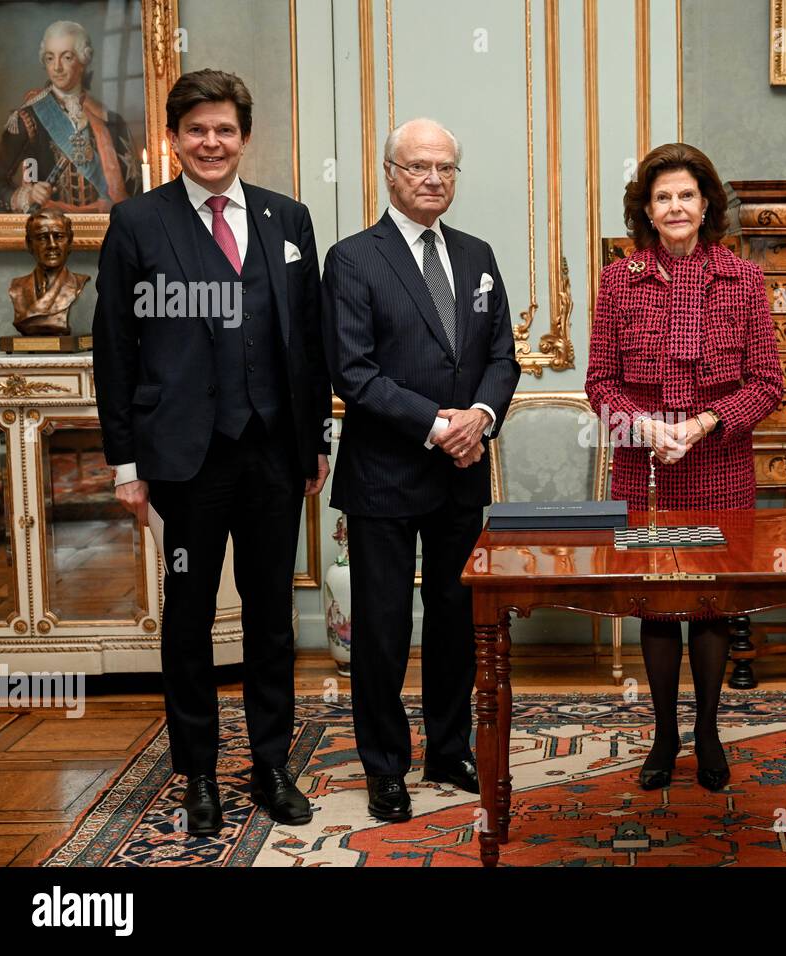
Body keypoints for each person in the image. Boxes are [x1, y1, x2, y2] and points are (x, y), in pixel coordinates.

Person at [93, 69, 333, 836]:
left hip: (272, 457)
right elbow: (115, 351)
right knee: (189, 616)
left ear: (244, 136)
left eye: (224, 129)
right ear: (174, 138)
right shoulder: (137, 222)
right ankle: (197, 772)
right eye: (196, 129)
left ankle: (269, 764)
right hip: (184, 463)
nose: (210, 142)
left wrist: (315, 439)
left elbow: (312, 340)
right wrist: (127, 465)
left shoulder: (287, 220)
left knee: (270, 618)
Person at [322, 118, 521, 822]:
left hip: (462, 472)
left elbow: (503, 357)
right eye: (418, 167)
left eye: (445, 168)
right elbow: (353, 371)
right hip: (384, 473)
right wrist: (441, 424)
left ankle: (449, 746)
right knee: (381, 628)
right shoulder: (352, 259)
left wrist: (482, 419)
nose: (433, 179)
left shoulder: (477, 255)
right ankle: (385, 766)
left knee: (455, 618)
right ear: (389, 173)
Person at [586, 143, 783, 792]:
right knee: (657, 605)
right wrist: (643, 428)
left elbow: (765, 384)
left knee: (711, 604)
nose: (675, 206)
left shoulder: (744, 280)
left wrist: (702, 424)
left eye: (686, 195)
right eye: (662, 196)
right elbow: (600, 384)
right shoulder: (619, 280)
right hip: (645, 470)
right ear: (647, 208)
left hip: (720, 466)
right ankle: (665, 733)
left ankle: (708, 730)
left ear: (706, 206)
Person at [0, 20, 140, 214]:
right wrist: (26, 196)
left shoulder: (111, 121)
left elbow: (134, 192)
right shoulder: (27, 119)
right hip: (49, 233)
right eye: (49, 58)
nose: (57, 67)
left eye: (67, 57)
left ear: (83, 60)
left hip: (107, 231)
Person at [9, 210, 89, 335]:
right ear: (29, 244)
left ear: (70, 241)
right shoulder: (17, 287)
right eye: (42, 238)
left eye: (59, 237)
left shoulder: (79, 284)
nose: (52, 245)